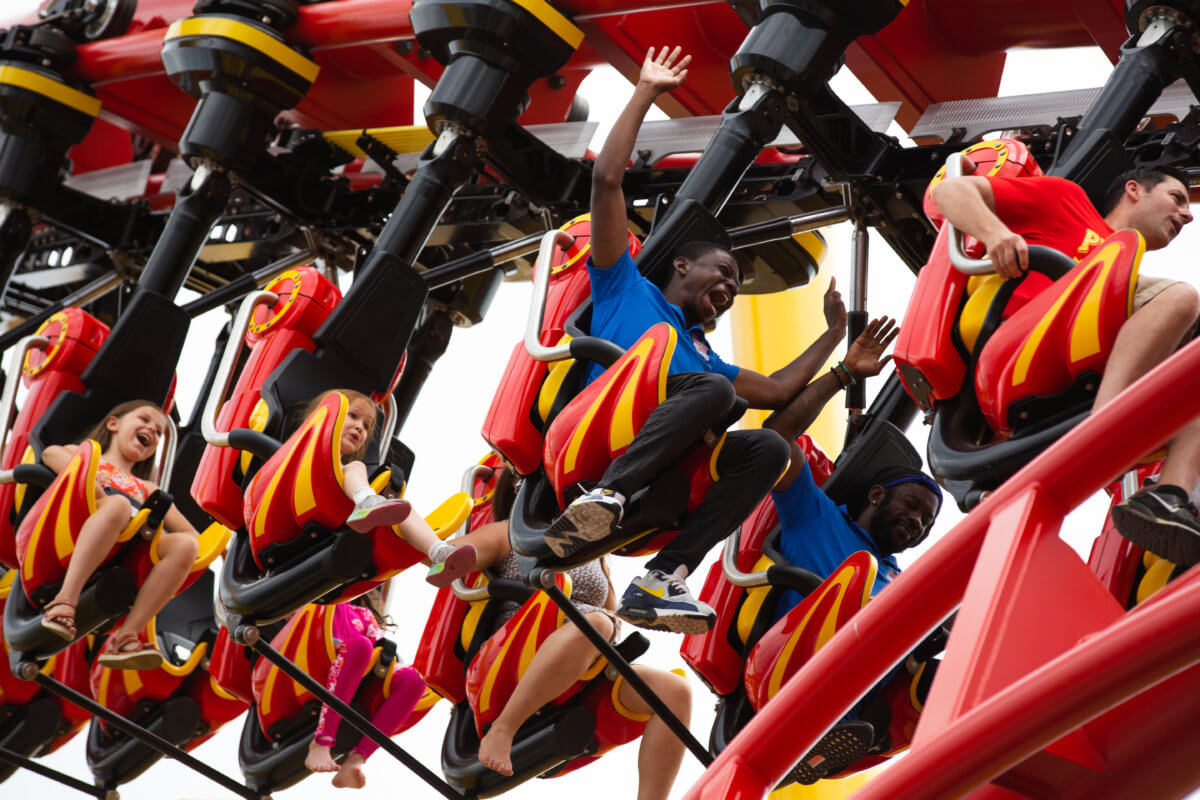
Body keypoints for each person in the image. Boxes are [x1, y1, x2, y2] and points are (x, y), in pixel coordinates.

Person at [546, 45, 885, 634]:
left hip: (660, 482)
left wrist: (840, 349)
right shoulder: (624, 288)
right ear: (680, 265)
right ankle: (601, 499)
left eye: (735, 283)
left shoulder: (706, 358)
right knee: (715, 394)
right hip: (591, 445)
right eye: (723, 272)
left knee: (770, 449)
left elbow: (780, 391)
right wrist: (647, 92)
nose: (730, 286)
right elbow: (605, 180)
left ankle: (663, 578)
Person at [929, 167, 1200, 565]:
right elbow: (950, 191)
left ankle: (1167, 498)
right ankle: (1105, 430)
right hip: (1020, 348)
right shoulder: (1066, 202)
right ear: (1134, 190)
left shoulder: (1132, 285)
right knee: (1182, 299)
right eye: (1177, 198)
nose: (1188, 214)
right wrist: (996, 234)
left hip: (1078, 371)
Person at [760, 315, 943, 784]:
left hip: (859, 701)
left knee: (953, 633)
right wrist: (843, 374)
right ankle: (817, 730)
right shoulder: (815, 513)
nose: (918, 522)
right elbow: (775, 438)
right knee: (861, 581)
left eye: (927, 521)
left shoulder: (901, 581)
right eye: (913, 506)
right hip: (787, 664)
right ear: (878, 496)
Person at [467, 473, 692, 800]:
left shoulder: (594, 548)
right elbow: (443, 558)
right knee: (596, 624)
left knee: (674, 691)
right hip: (513, 660)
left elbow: (611, 612)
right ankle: (504, 729)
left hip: (584, 659)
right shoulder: (508, 535)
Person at [40, 400, 200, 670]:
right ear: (113, 423)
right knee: (117, 505)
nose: (152, 430)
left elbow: (192, 535)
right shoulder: (83, 455)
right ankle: (64, 600)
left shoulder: (147, 489)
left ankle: (126, 636)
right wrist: (98, 491)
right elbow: (50, 454)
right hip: (71, 539)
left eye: (159, 432)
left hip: (121, 556)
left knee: (185, 545)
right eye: (144, 419)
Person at [315, 389, 476, 586]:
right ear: (325, 414)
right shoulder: (312, 455)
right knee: (357, 467)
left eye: (366, 426)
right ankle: (366, 501)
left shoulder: (349, 472)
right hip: (311, 502)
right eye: (353, 416)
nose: (359, 428)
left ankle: (439, 552)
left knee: (402, 510)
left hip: (337, 520)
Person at [303, 587, 426, 789]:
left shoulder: (362, 615)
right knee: (360, 645)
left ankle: (356, 760)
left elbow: (380, 648)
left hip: (354, 674)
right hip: (310, 663)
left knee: (415, 678)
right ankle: (321, 741)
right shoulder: (311, 600)